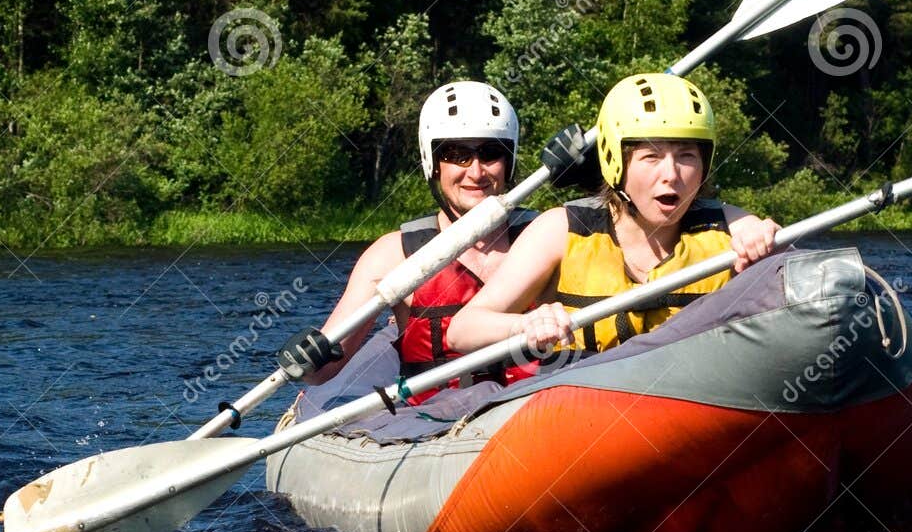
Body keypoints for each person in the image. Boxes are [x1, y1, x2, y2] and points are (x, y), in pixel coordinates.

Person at [446, 73, 780, 360]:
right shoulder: (560, 230)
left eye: (687, 156)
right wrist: (525, 324)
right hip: (584, 412)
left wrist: (766, 243)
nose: (672, 174)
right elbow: (462, 331)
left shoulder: (729, 228)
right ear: (615, 161)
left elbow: (792, 277)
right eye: (651, 156)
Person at [276, 81, 537, 403]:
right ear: (433, 162)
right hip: (432, 425)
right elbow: (328, 367)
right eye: (457, 155)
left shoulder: (546, 236)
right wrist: (305, 360)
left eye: (490, 153)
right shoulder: (392, 255)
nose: (476, 171)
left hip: (533, 414)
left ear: (508, 160)